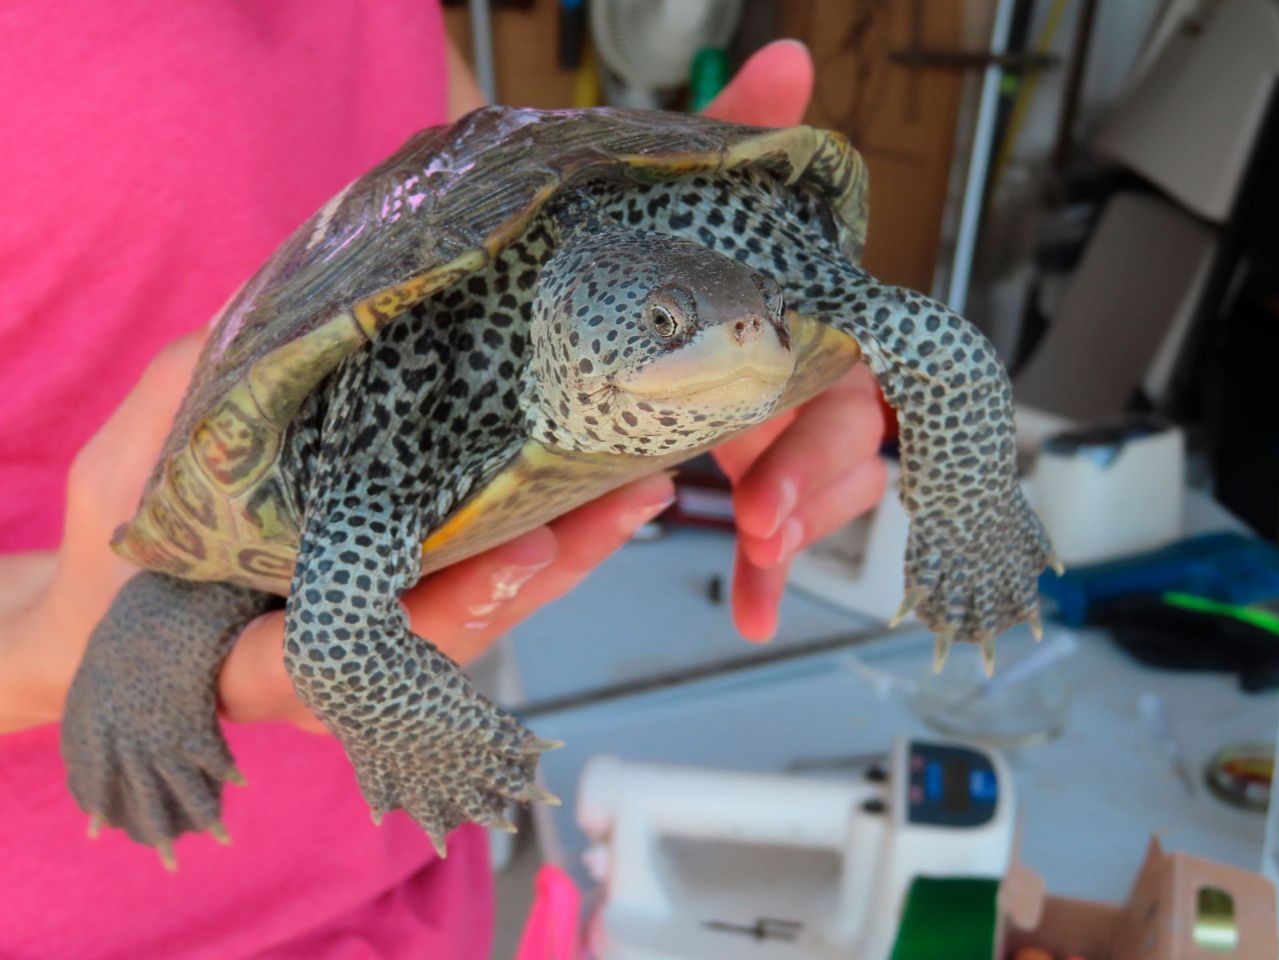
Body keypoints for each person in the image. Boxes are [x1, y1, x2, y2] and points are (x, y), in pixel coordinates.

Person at [0, 3, 886, 956]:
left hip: (411, 900)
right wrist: (48, 638)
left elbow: (474, 150)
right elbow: (338, 632)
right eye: (677, 325)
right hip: (92, 916)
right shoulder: (408, 413)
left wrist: (753, 337)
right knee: (204, 598)